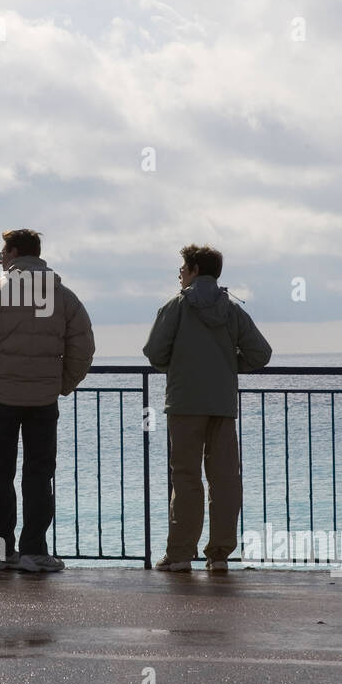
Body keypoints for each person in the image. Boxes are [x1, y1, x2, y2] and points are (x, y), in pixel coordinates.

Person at [0, 229, 95, 573]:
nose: (0, 258)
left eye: (2, 252)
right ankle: (34, 551)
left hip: (1, 398)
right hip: (44, 400)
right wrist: (62, 385)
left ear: (14, 252)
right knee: (38, 474)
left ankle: (0, 553)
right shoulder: (64, 297)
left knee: (0, 474)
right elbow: (84, 347)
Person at [143, 244, 272, 572]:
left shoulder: (176, 308)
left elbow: (155, 352)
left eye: (183, 269)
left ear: (195, 270)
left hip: (185, 404)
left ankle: (181, 554)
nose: (180, 275)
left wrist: (180, 366)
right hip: (222, 405)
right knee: (225, 479)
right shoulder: (232, 311)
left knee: (185, 478)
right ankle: (219, 556)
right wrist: (228, 366)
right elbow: (260, 353)